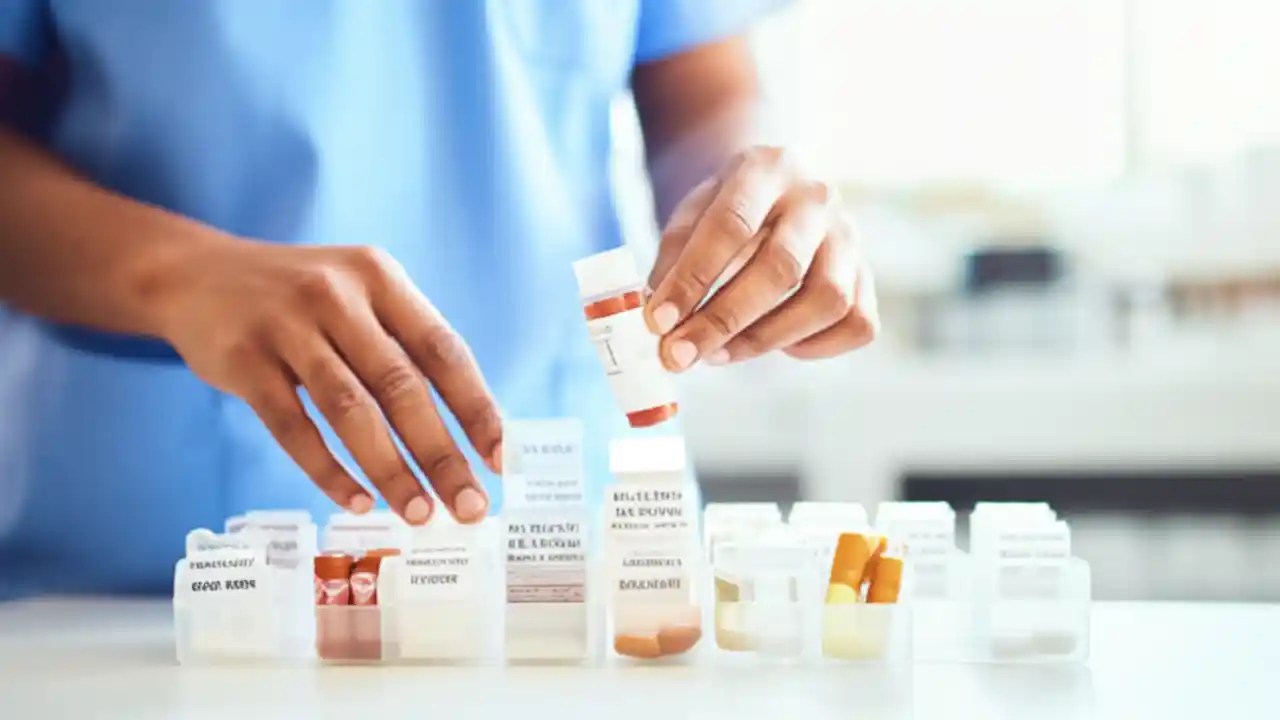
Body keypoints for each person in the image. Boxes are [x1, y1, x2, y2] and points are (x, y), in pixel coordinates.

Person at [0, 1, 878, 596]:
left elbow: (701, 90)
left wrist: (747, 198)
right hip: (160, 556)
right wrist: (175, 274)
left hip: (572, 527)